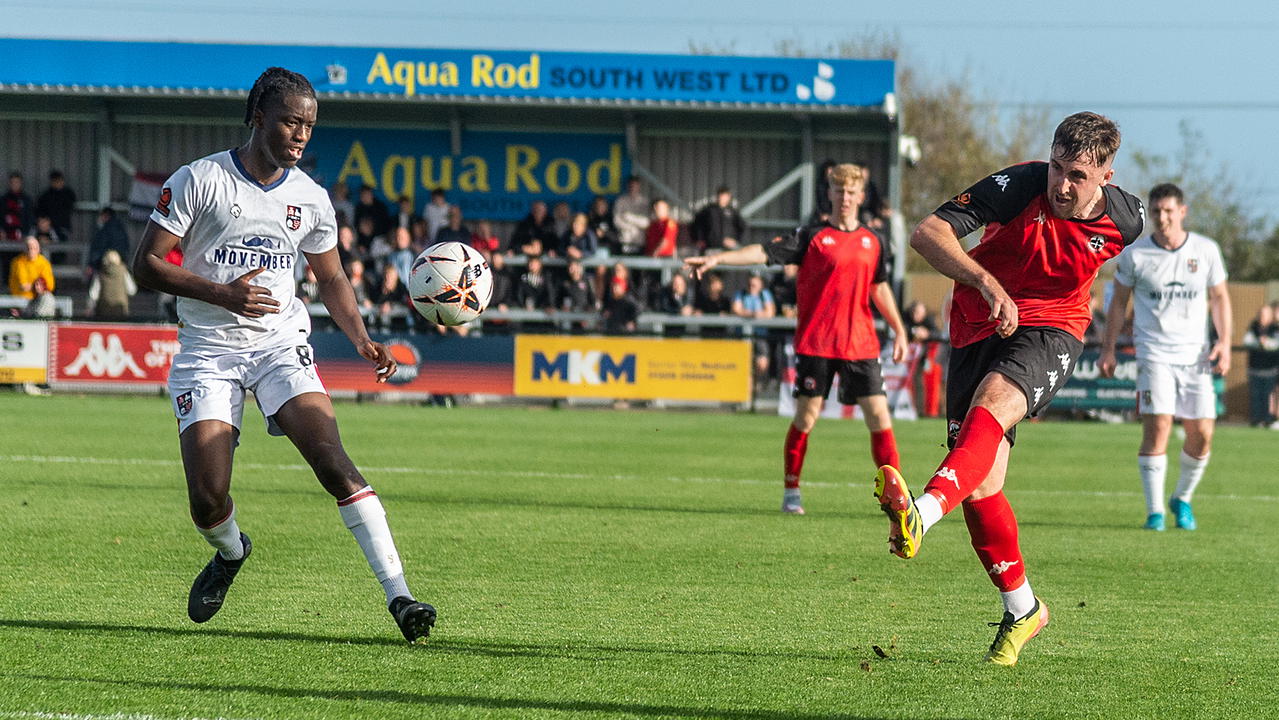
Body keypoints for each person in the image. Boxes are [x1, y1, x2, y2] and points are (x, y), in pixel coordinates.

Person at [129, 67, 435, 644]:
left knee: (332, 460)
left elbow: (332, 276)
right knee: (207, 498)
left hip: (279, 345)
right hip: (209, 350)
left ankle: (400, 595)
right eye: (291, 122)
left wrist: (361, 337)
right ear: (258, 117)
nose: (300, 135)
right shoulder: (200, 180)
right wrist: (223, 294)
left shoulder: (311, 198)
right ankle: (231, 551)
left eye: (309, 126)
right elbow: (144, 264)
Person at [884, 112, 1143, 666]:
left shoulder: (1128, 219)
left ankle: (921, 513)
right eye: (1056, 167)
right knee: (981, 486)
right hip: (979, 321)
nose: (1061, 184)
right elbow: (927, 233)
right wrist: (985, 280)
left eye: (1077, 175)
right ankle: (1024, 609)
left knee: (995, 402)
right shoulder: (1020, 185)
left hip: (1054, 327)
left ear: (1107, 177)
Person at [685, 163, 908, 516]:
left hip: (860, 343)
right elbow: (763, 252)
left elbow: (879, 288)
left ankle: (896, 499)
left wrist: (899, 329)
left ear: (861, 196)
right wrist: (718, 258)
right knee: (806, 417)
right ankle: (791, 491)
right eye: (839, 191)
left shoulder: (874, 241)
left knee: (880, 417)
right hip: (817, 343)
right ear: (829, 193)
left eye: (851, 192)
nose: (845, 198)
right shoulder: (811, 236)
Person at [1099, 183, 1231, 532]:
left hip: (1196, 356)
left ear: (1182, 212)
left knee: (1202, 434)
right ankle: (1155, 512)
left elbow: (1220, 298)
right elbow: (1118, 303)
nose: (1162, 218)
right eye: (1156, 211)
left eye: (1169, 211)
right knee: (1158, 426)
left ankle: (1182, 498)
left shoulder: (1206, 250)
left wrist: (1224, 342)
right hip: (1153, 353)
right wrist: (1109, 348)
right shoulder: (1136, 255)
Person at [1243, 303, 1279, 427]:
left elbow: (1276, 344)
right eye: (1260, 314)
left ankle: (1268, 420)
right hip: (1254, 369)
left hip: (1270, 370)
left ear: (1270, 316)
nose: (1262, 316)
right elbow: (1246, 340)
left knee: (1268, 396)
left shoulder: (1275, 329)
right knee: (1256, 396)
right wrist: (1258, 342)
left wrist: (1266, 343)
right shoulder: (1253, 327)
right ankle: (1256, 420)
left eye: (1265, 314)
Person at [692, 186, 746, 252]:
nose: (721, 197)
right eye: (720, 195)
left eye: (724, 196)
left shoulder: (732, 211)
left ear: (729, 197)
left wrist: (735, 240)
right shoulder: (709, 210)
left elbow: (742, 227)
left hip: (728, 248)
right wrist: (699, 239)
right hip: (711, 247)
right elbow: (696, 224)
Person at [89, 248, 137, 319]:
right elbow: (132, 290)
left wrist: (90, 307)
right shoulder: (124, 272)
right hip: (120, 309)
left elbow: (93, 294)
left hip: (103, 310)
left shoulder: (100, 273)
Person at [88, 206, 131, 275]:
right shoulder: (121, 229)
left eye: (101, 216)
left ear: (106, 215)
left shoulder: (105, 231)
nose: (100, 219)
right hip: (121, 265)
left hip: (105, 267)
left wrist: (92, 264)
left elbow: (99, 248)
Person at [613, 176, 649, 255]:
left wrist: (629, 217)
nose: (633, 188)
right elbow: (616, 221)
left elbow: (646, 222)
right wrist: (631, 228)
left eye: (635, 186)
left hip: (640, 241)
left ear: (639, 187)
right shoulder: (620, 201)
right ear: (627, 186)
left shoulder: (644, 202)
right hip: (624, 239)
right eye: (631, 186)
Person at [36, 170, 77, 240]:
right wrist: (45, 223)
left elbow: (70, 205)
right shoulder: (46, 196)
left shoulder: (68, 194)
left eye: (60, 181)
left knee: (63, 243)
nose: (58, 183)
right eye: (56, 181)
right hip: (49, 228)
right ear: (52, 182)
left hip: (63, 226)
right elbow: (40, 211)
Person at [3, 172, 34, 242]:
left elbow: (29, 217)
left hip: (22, 235)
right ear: (9, 183)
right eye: (12, 182)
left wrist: (26, 233)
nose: (14, 184)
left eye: (17, 182)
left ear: (21, 183)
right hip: (6, 235)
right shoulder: (3, 199)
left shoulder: (26, 200)